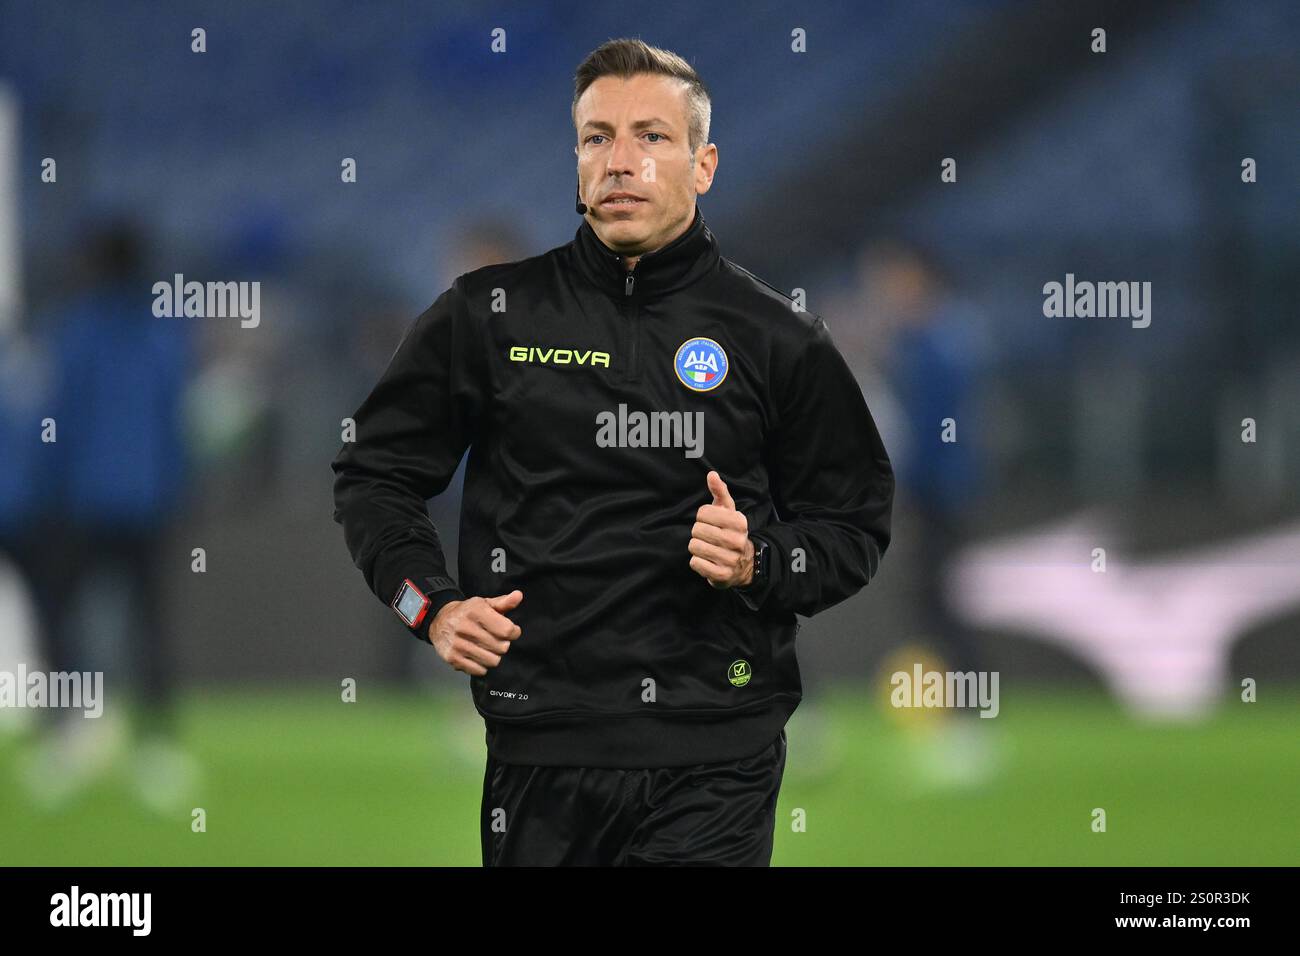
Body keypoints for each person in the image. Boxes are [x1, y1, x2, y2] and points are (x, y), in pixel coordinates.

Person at [331, 38, 894, 866]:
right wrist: (433, 606)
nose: (620, 161)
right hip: (541, 748)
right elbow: (374, 472)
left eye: (651, 137)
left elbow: (854, 525)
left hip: (716, 753)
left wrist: (761, 561)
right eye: (598, 138)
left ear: (703, 166)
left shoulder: (779, 339)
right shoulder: (489, 316)